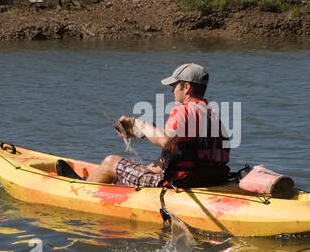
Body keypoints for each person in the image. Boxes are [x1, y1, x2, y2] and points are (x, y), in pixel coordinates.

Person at [81, 63, 230, 188]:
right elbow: (181, 151)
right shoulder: (213, 114)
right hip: (210, 179)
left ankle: (82, 189)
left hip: (181, 183)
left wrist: (135, 122)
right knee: (146, 167)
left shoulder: (183, 110)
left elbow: (165, 141)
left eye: (174, 85)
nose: (172, 90)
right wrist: (141, 133)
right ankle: (95, 181)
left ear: (186, 87)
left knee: (110, 162)